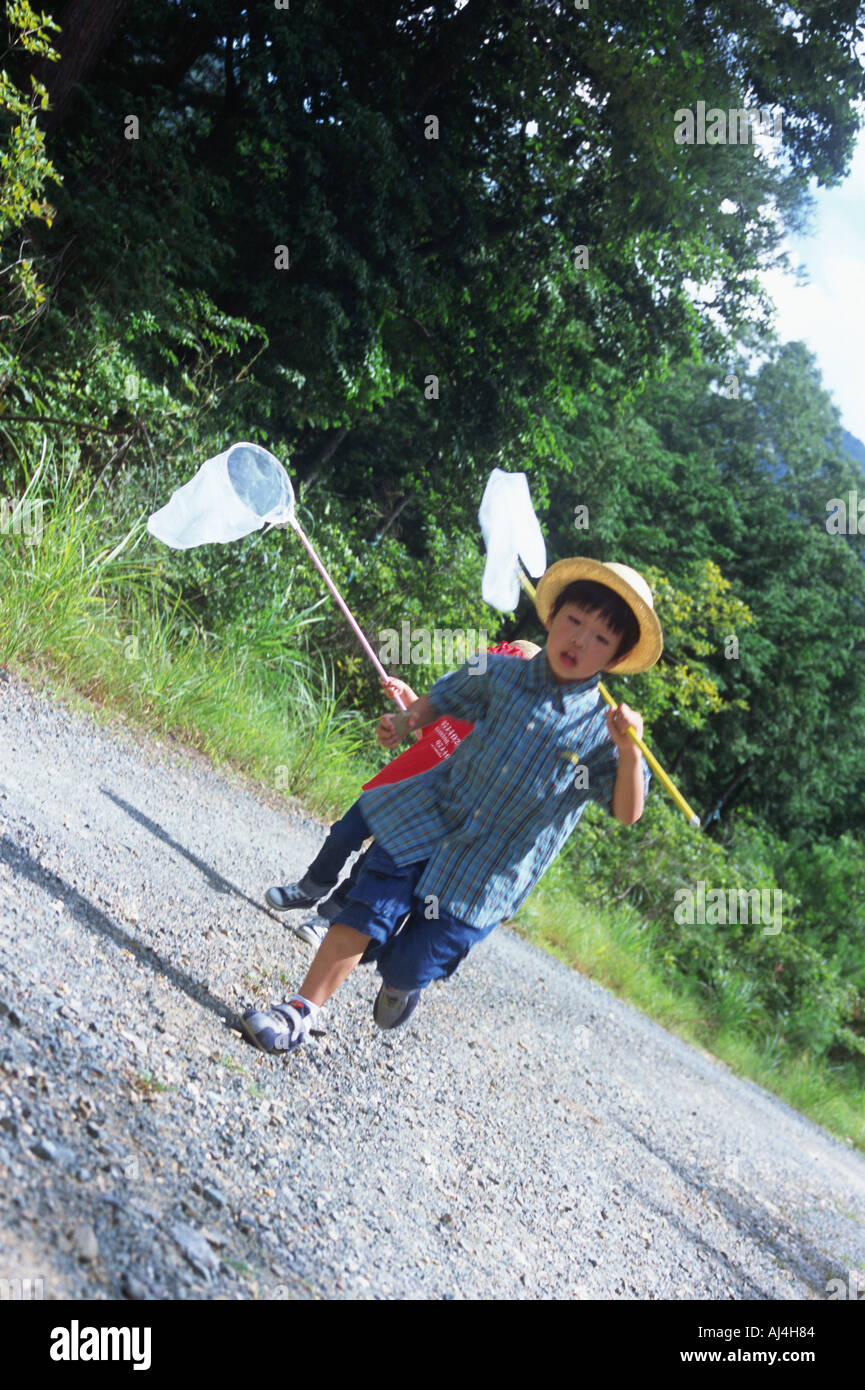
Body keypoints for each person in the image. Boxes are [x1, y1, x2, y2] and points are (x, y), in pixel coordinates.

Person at [241, 558, 662, 1055]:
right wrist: (407, 721)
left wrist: (631, 750)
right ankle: (299, 1013)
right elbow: (446, 696)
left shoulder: (603, 732)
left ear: (615, 658)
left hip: (486, 873)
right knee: (365, 909)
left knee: (409, 962)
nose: (579, 640)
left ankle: (402, 980)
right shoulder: (500, 672)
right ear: (552, 618)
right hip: (427, 818)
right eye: (574, 621)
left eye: (600, 638)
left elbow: (627, 811)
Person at [264, 642, 540, 945]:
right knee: (344, 833)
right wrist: (407, 697)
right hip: (394, 782)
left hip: (421, 809)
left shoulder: (498, 740)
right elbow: (426, 725)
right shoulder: (458, 704)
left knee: (371, 863)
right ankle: (311, 886)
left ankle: (330, 917)